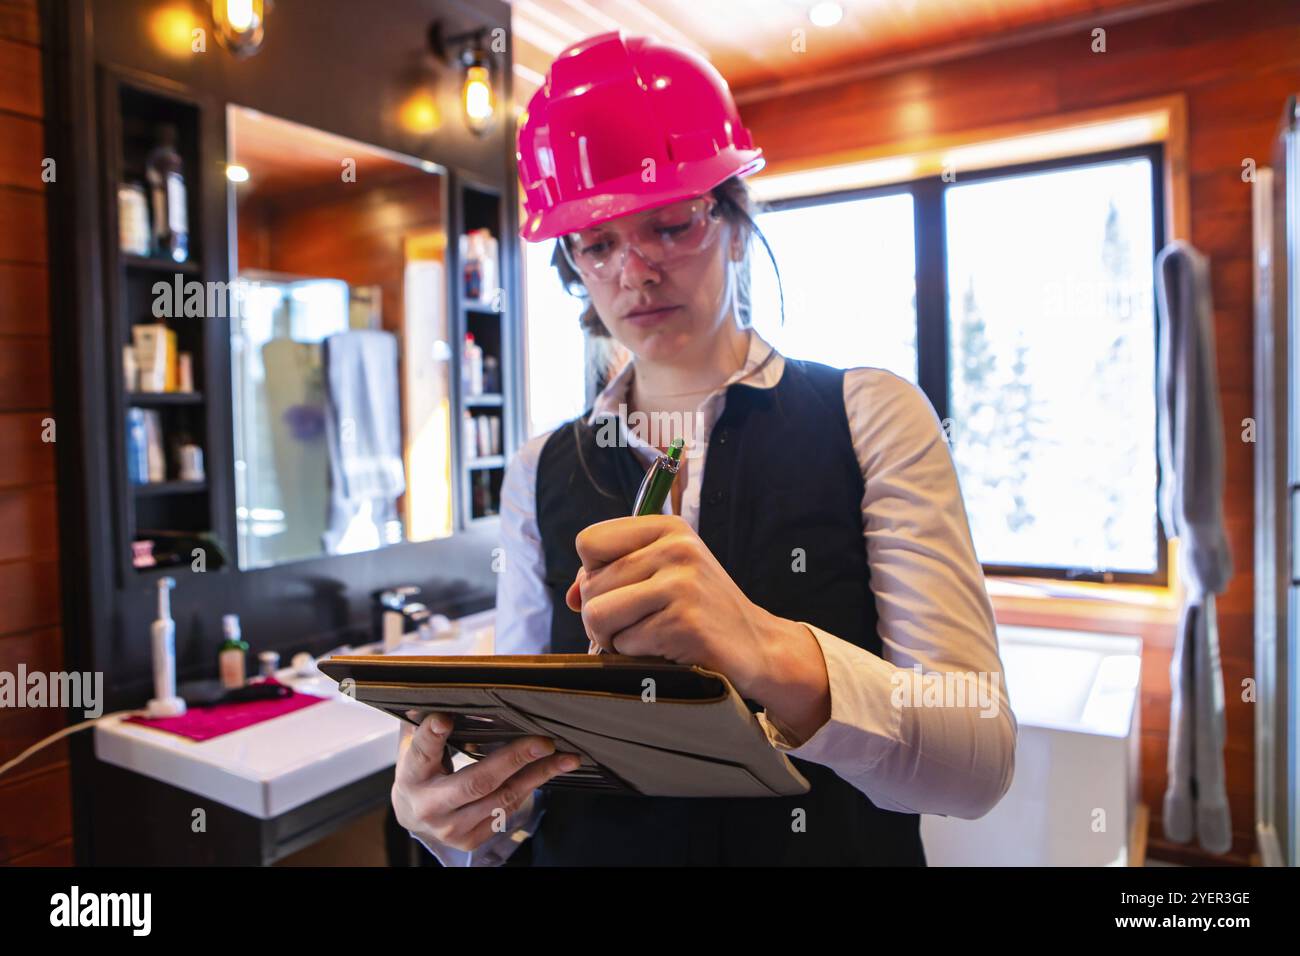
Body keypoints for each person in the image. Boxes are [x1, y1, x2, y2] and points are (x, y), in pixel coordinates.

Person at [391, 30, 1016, 866]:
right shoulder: (539, 469)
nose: (636, 271)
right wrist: (469, 817)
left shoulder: (869, 414)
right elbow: (529, 770)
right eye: (598, 243)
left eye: (671, 224)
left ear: (732, 219)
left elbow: (977, 766)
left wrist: (764, 648)